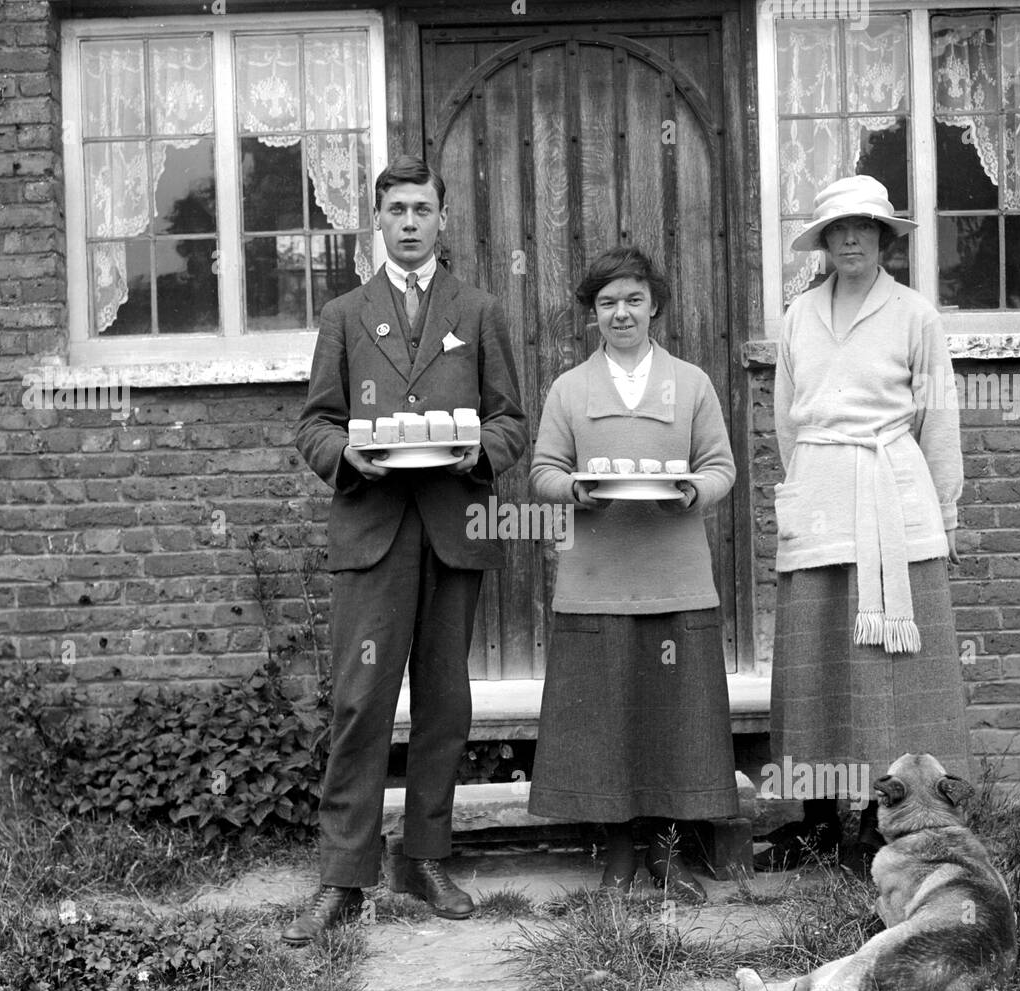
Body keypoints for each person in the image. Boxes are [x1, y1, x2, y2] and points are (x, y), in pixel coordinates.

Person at [290, 155, 527, 942]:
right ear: (379, 221)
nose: (411, 222)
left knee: (444, 704)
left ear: (442, 219)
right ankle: (342, 876)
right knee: (359, 703)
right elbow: (314, 424)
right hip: (373, 528)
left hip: (453, 529)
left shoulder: (480, 310)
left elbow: (511, 422)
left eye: (424, 209)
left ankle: (423, 857)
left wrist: (478, 453)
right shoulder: (345, 315)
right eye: (397, 210)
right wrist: (343, 458)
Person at [762, 174, 968, 870]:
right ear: (822, 241)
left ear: (884, 237)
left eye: (864, 227)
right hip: (820, 496)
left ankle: (886, 823)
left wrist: (945, 513)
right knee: (815, 665)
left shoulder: (916, 316)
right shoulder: (797, 316)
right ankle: (818, 823)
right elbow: (788, 419)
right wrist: (802, 491)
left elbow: (938, 418)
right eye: (837, 229)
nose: (850, 239)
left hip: (892, 498)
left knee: (886, 674)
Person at [529, 246, 739, 901]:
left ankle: (667, 854)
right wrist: (574, 491)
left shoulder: (692, 384)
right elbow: (543, 473)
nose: (621, 314)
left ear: (655, 308)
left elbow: (720, 468)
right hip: (594, 583)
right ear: (593, 315)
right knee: (605, 726)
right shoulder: (570, 389)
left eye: (633, 301)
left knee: (673, 721)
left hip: (676, 579)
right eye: (607, 303)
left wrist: (692, 493)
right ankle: (618, 855)